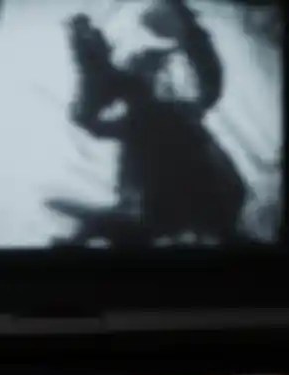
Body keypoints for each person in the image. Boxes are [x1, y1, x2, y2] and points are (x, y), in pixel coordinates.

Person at [49, 0, 248, 249]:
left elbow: (88, 119)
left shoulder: (170, 112)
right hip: (175, 208)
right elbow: (88, 119)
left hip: (180, 207)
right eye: (150, 73)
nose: (157, 78)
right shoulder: (170, 112)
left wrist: (89, 61)